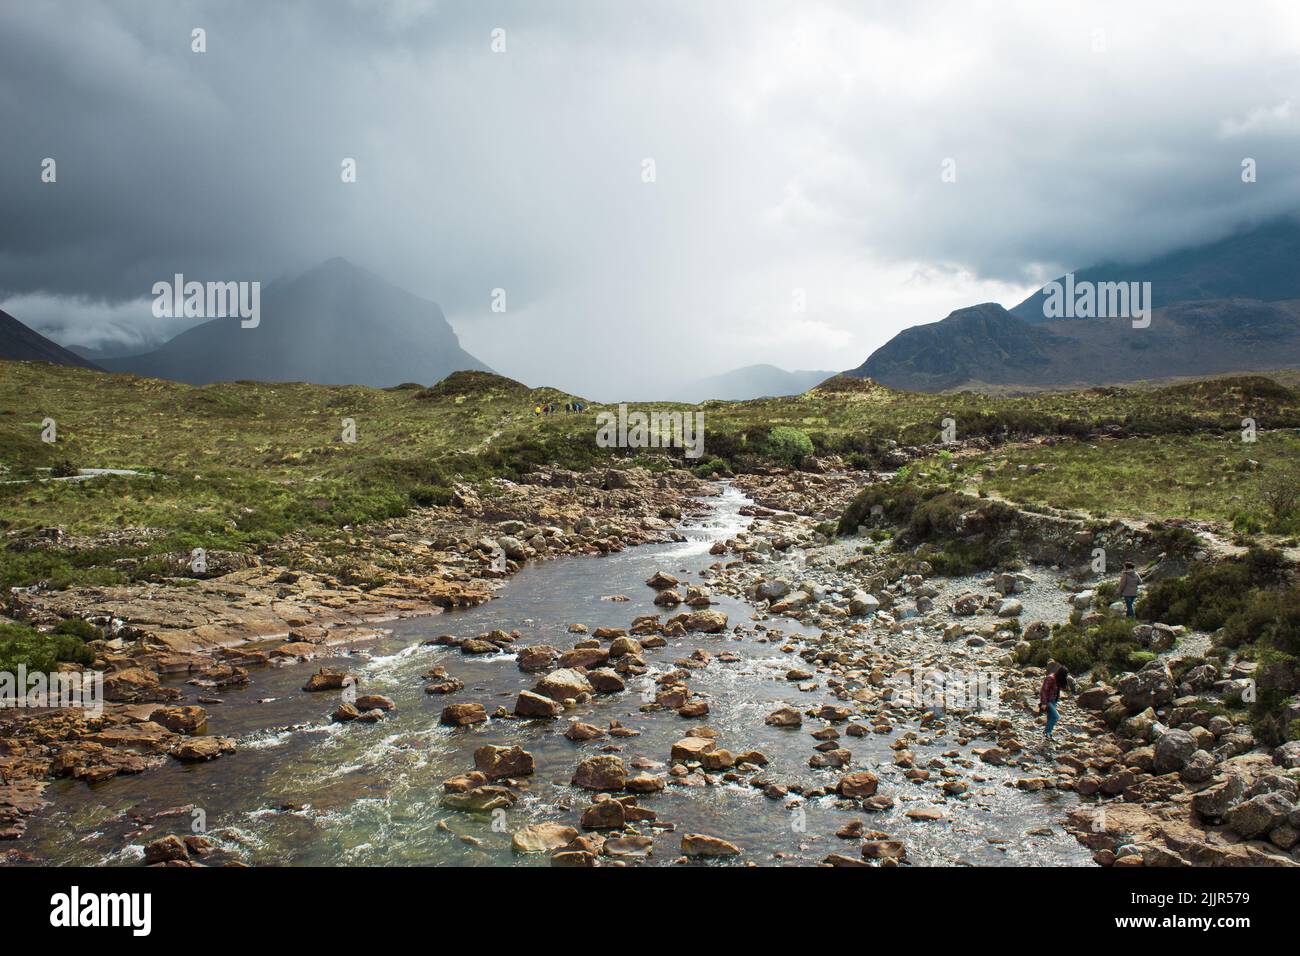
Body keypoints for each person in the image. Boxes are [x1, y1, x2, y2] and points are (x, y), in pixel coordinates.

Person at [1039, 664, 1070, 743]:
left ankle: (1048, 735)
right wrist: (1044, 703)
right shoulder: (1050, 678)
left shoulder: (1058, 679)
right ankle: (1047, 732)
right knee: (1056, 717)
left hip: (1054, 701)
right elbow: (1044, 691)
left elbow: (1063, 687)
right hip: (1048, 701)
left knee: (1051, 718)